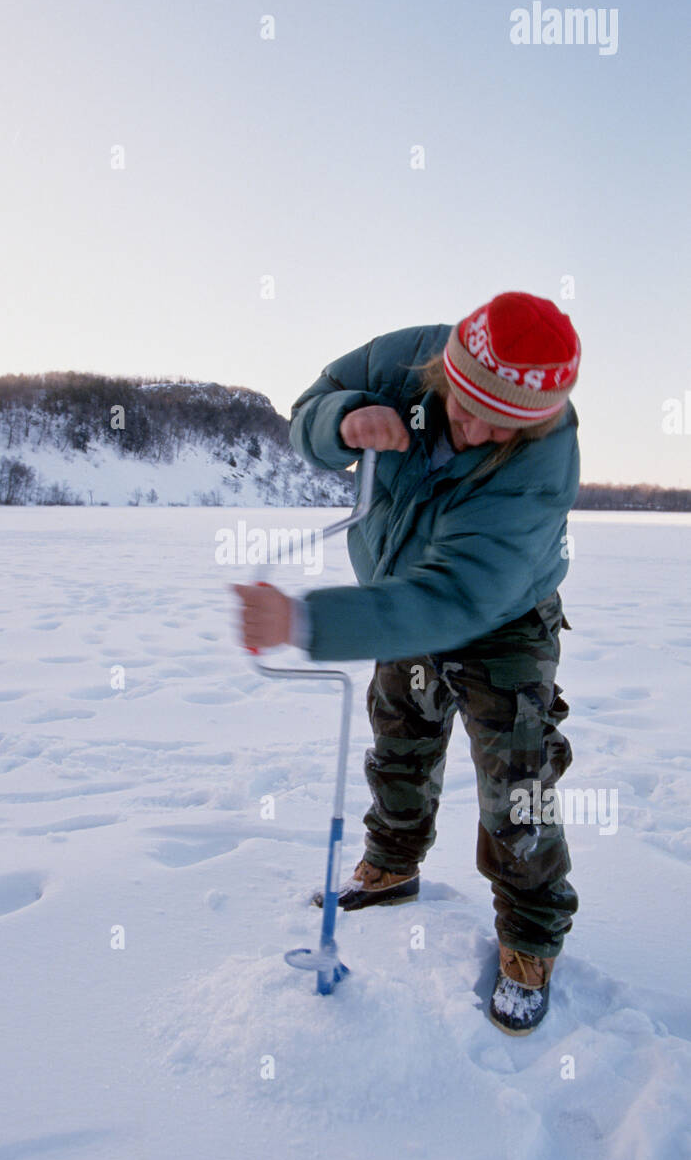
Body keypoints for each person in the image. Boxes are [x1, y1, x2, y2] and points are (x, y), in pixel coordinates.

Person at [233, 291, 581, 1035]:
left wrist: (306, 621)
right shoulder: (402, 359)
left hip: (501, 619)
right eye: (468, 406)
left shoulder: (541, 468)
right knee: (400, 738)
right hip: (397, 594)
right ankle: (391, 866)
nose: (477, 430)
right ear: (445, 369)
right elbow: (308, 411)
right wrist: (344, 420)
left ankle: (531, 937)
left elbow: (452, 598)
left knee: (518, 781)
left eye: (503, 426)